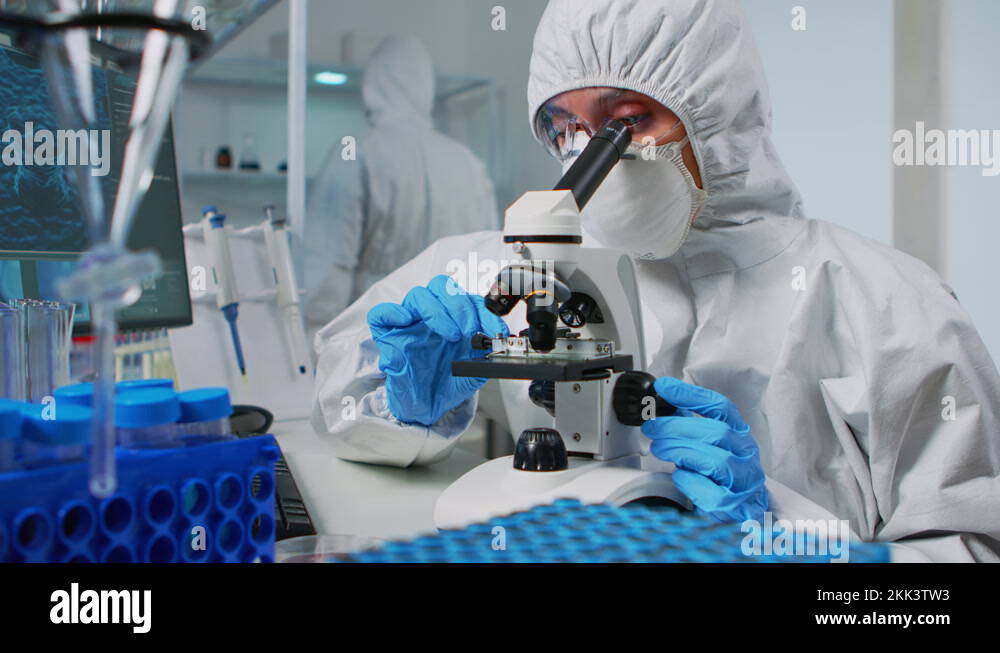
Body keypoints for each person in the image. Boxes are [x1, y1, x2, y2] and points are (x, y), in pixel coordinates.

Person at [311, 0, 1000, 561]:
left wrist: (798, 551)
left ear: (716, 108)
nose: (587, 158)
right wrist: (407, 403)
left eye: (626, 123)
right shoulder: (521, 264)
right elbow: (339, 389)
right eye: (563, 129)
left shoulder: (890, 307)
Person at [303, 35, 498, 329]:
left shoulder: (356, 153)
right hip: (455, 334)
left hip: (377, 331)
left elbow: (328, 269)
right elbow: (487, 261)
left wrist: (315, 349)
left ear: (372, 83)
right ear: (425, 86)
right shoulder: (469, 163)